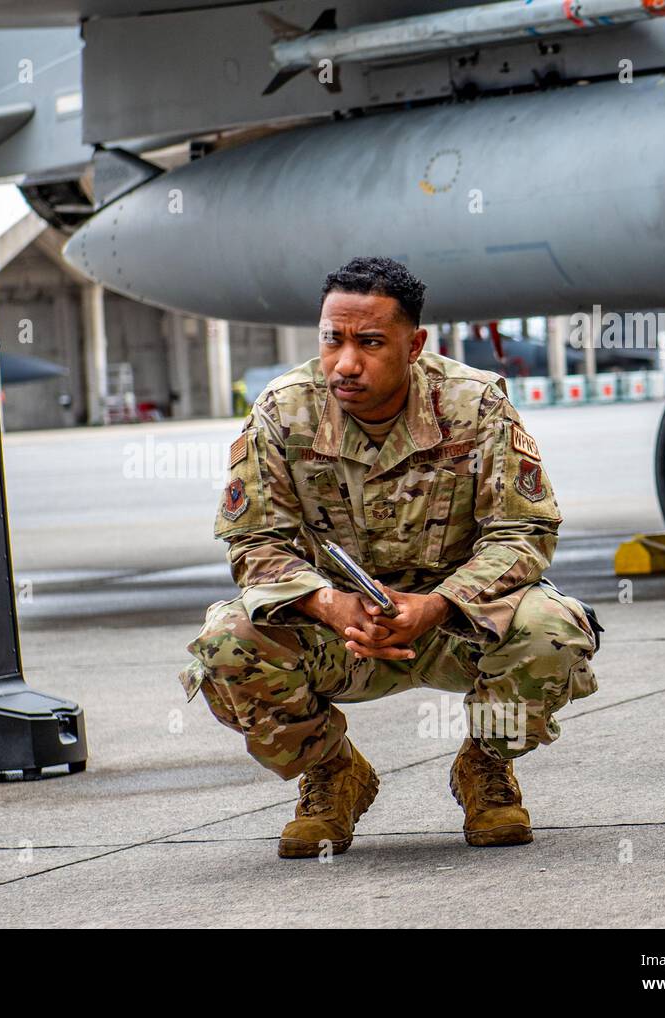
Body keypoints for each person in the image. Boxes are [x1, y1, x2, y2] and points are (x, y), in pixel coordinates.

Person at [179, 256, 599, 859]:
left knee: (550, 630)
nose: (345, 363)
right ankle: (331, 772)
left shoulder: (474, 405)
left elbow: (522, 532)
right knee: (227, 640)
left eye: (370, 343)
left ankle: (485, 766)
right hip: (342, 633)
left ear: (414, 344)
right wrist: (325, 603)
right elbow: (254, 541)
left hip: (455, 627)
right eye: (332, 339)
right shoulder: (283, 411)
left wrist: (437, 606)